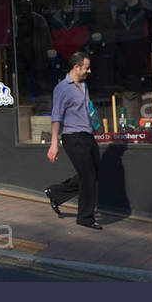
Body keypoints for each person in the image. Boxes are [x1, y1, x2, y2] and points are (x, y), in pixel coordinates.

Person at [44, 52, 101, 230]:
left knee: (93, 173)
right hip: (72, 137)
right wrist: (54, 144)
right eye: (86, 68)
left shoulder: (83, 85)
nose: (89, 71)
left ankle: (56, 193)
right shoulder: (62, 88)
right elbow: (56, 117)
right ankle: (85, 218)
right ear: (76, 67)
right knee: (88, 176)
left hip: (87, 135)